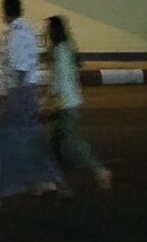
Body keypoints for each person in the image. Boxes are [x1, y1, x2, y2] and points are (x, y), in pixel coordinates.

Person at [0, 0, 54, 214]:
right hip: (23, 95)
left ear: (6, 12)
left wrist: (4, 101)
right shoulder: (25, 32)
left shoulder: (16, 35)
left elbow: (19, 69)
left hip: (16, 96)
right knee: (29, 139)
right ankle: (46, 181)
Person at [44, 15, 111, 194]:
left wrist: (48, 100)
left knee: (72, 141)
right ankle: (54, 180)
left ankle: (99, 170)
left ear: (53, 31)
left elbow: (58, 80)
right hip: (71, 100)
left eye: (47, 28)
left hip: (65, 103)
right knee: (56, 143)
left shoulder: (58, 51)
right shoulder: (67, 47)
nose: (45, 31)